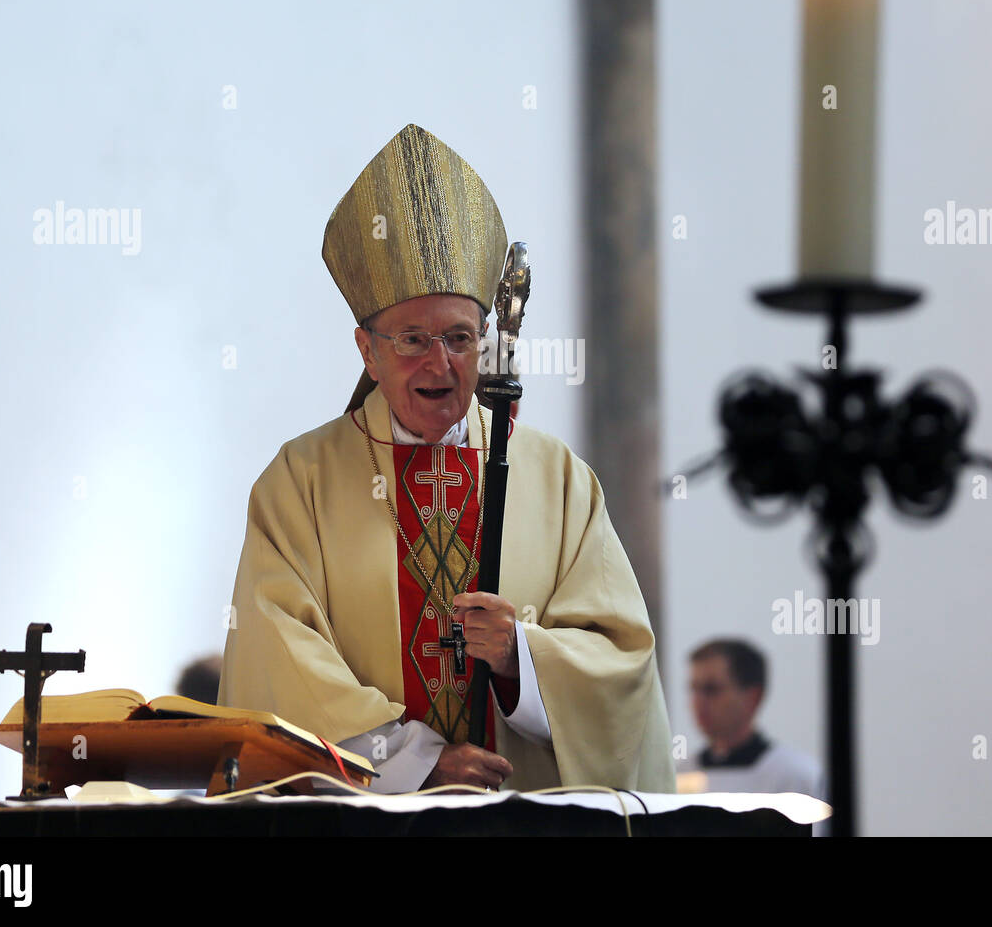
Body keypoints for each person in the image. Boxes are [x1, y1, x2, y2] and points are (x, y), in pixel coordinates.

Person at [218, 123, 674, 794]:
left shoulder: (557, 480)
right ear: (366, 350)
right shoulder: (301, 483)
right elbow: (280, 660)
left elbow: (622, 664)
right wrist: (417, 760)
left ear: (486, 344)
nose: (440, 362)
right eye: (412, 339)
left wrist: (522, 657)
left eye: (460, 337)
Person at [687, 638, 826, 801]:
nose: (698, 702)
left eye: (711, 689)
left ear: (753, 697)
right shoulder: (681, 775)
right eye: (694, 689)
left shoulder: (797, 776)